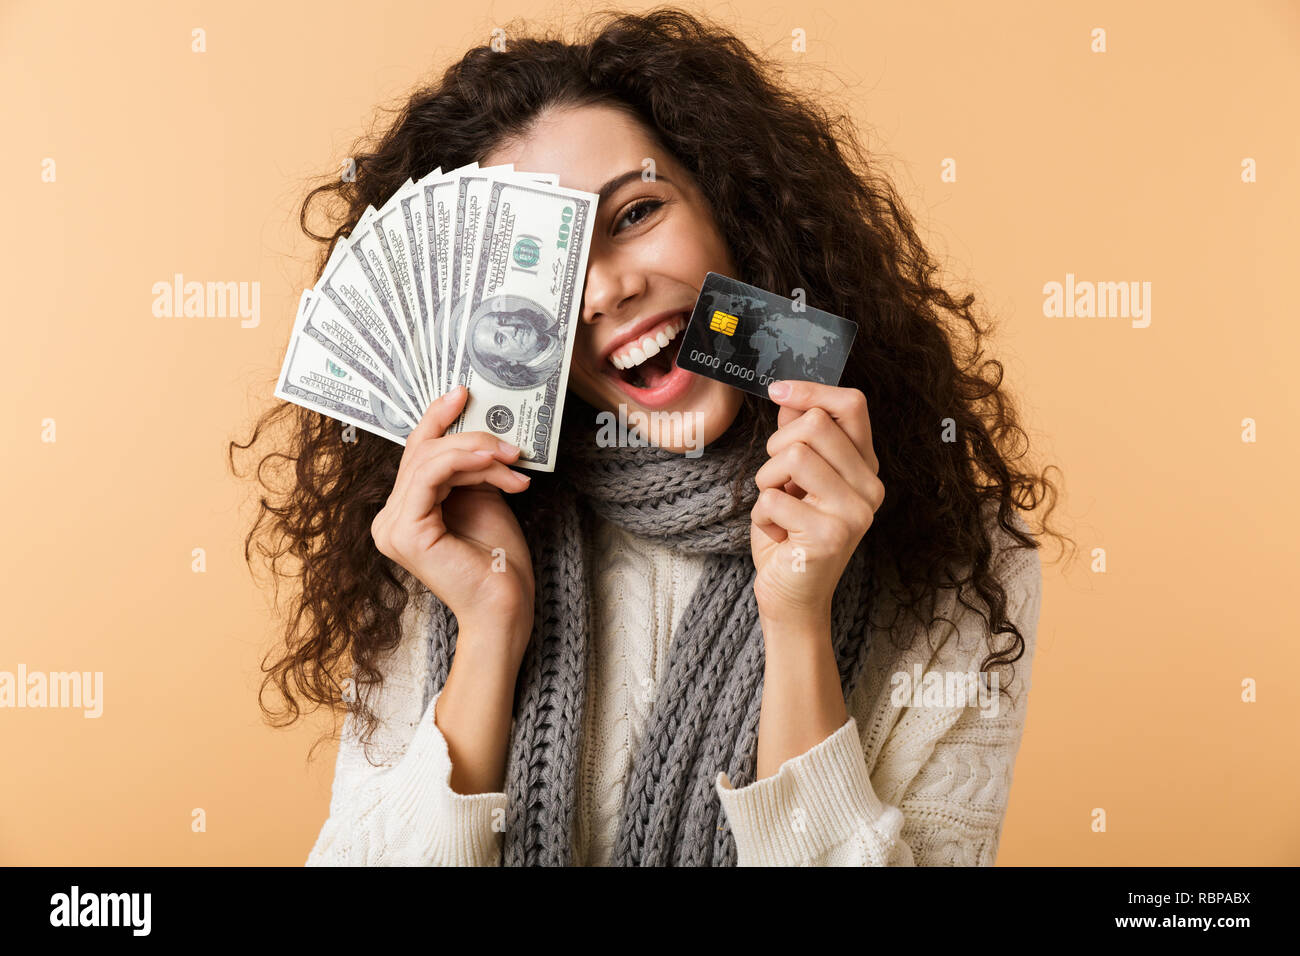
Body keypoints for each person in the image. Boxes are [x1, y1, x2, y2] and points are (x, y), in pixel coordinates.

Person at [232, 7, 1066, 866]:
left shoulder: (968, 567)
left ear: (735, 208)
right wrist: (485, 630)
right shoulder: (441, 543)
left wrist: (798, 623)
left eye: (634, 214)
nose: (602, 292)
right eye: (546, 264)